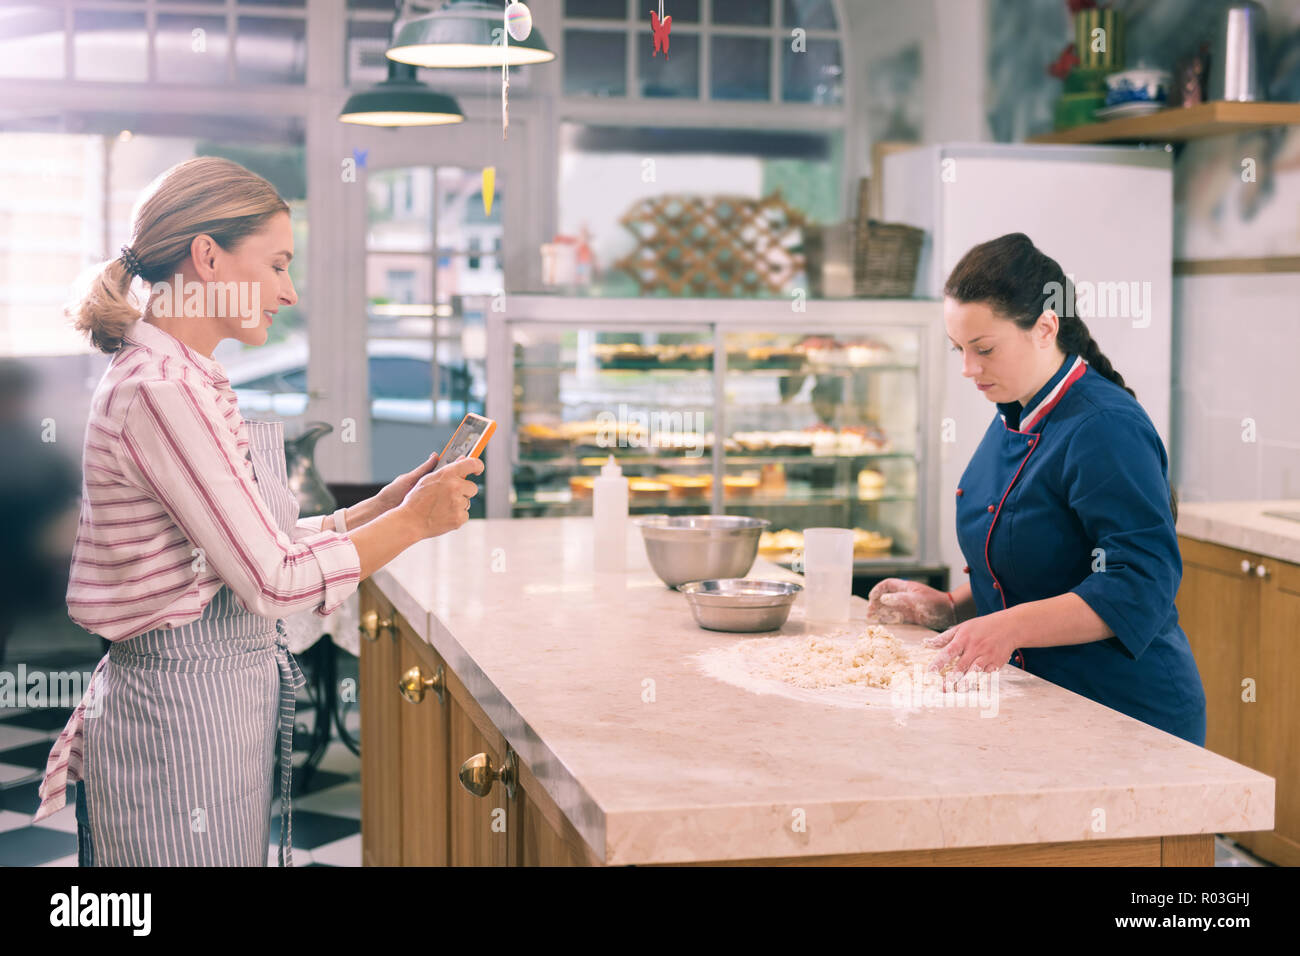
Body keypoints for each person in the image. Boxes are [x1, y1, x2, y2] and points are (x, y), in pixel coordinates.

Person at [34, 156, 483, 866]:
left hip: (210, 713)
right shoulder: (162, 390)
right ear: (208, 258)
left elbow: (245, 545)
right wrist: (416, 523)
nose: (289, 290)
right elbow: (271, 580)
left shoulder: (185, 379)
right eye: (276, 265)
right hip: (178, 728)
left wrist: (379, 507)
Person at [867, 233, 1206, 746]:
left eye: (983, 349)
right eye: (959, 349)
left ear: (1046, 327)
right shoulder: (1018, 410)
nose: (968, 369)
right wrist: (954, 607)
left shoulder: (1103, 426)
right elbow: (1036, 563)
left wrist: (1010, 628)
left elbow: (1141, 584)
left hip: (1125, 715)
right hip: (1041, 701)